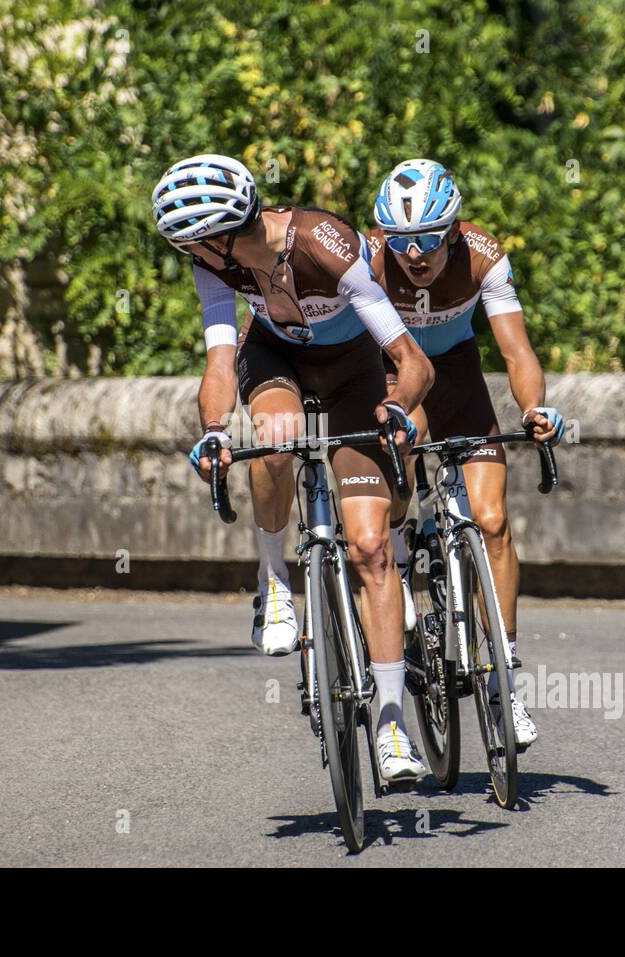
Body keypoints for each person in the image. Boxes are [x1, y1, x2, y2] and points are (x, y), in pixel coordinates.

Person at [152, 154, 435, 782]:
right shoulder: (213, 264)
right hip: (275, 360)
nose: (196, 255)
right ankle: (274, 577)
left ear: (227, 230)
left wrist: (397, 407)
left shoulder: (322, 245)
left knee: (371, 550)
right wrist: (215, 434)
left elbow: (412, 360)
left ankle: (391, 725)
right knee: (276, 439)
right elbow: (221, 362)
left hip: (355, 370)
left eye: (197, 242)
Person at [366, 159, 563, 748]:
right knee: (404, 460)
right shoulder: (371, 261)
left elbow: (515, 348)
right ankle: (396, 565)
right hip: (397, 376)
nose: (414, 254)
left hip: (458, 376)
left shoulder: (483, 254)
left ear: (453, 229)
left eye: (427, 238)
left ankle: (505, 680)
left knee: (493, 520)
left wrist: (534, 408)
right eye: (401, 240)